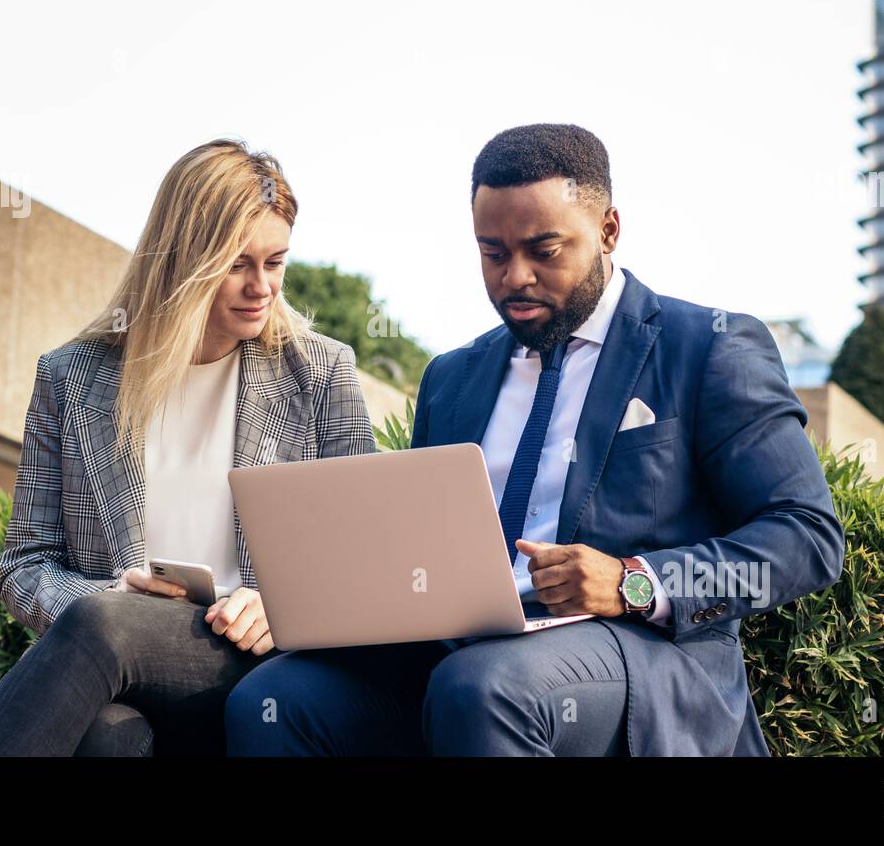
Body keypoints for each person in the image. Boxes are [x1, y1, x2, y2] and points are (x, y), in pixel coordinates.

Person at [223, 123, 845, 756]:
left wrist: (633, 581)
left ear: (608, 230)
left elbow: (806, 537)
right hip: (462, 651)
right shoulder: (451, 378)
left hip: (643, 657)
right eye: (493, 253)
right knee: (273, 703)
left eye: (543, 251)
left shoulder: (709, 347)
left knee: (483, 687)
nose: (515, 277)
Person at [0, 139, 376, 756]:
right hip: (120, 668)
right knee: (107, 736)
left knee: (104, 628)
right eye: (237, 264)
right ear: (183, 259)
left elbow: (364, 563)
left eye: (276, 262)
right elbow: (25, 567)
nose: (262, 286)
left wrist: (280, 606)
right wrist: (118, 599)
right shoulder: (71, 378)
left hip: (260, 664)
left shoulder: (320, 374)